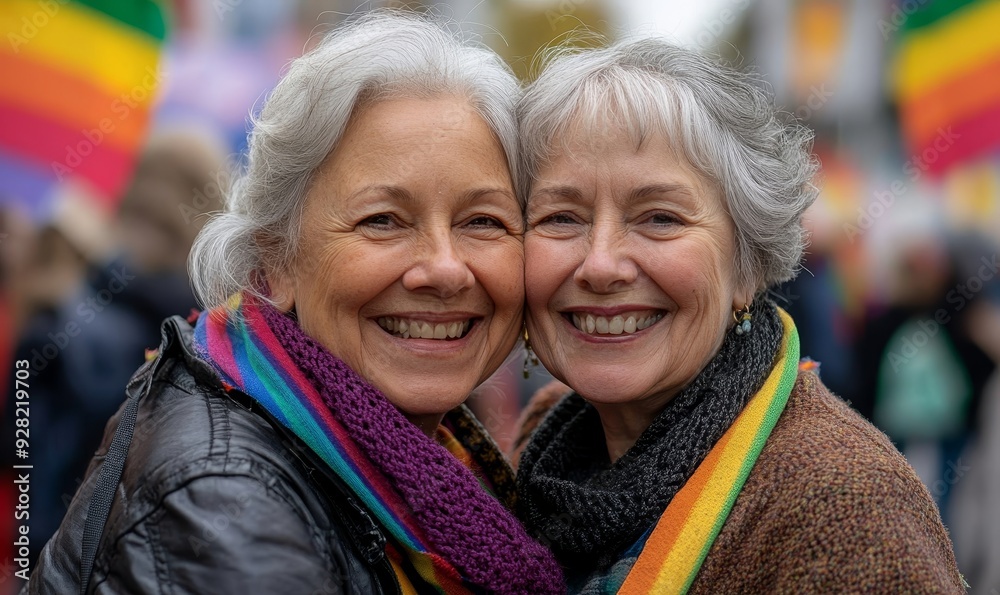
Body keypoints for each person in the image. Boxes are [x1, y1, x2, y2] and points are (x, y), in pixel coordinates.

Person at [25, 13, 562, 594]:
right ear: (274, 264)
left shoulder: (431, 456)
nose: (444, 268)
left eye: (482, 221)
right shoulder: (224, 499)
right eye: (382, 220)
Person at [511, 39, 965, 594]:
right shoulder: (543, 443)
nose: (601, 264)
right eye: (561, 217)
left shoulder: (842, 505)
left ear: (748, 266)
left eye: (659, 217)